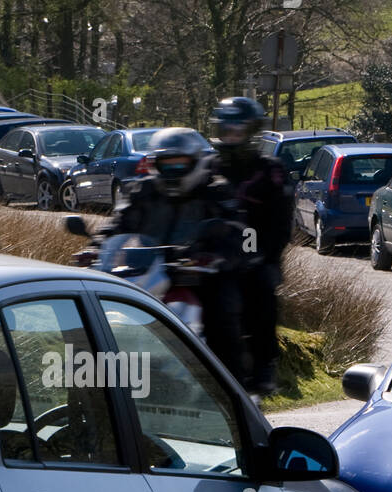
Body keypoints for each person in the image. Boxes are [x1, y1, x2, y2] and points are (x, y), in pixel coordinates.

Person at [88, 127, 246, 379]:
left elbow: (237, 231)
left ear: (196, 162)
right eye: (166, 164)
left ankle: (234, 384)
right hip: (148, 275)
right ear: (154, 164)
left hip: (198, 277)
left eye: (179, 164)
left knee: (222, 309)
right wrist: (96, 246)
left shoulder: (216, 191)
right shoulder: (143, 190)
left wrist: (219, 255)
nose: (172, 171)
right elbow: (119, 223)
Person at [208, 96, 294, 397]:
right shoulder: (209, 167)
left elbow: (281, 222)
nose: (231, 136)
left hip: (256, 252)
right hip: (211, 255)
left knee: (260, 289)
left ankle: (264, 365)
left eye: (238, 130)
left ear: (252, 132)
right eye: (226, 129)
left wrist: (259, 254)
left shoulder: (270, 170)